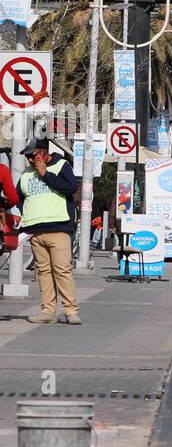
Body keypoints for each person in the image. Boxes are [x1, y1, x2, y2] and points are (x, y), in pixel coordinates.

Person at [16, 137, 81, 325]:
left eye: (32, 155)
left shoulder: (61, 165)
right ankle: (48, 311)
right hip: (36, 231)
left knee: (62, 270)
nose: (30, 160)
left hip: (58, 228)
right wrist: (25, 212)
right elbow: (19, 196)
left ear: (44, 152)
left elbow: (70, 187)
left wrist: (45, 173)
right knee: (43, 272)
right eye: (27, 157)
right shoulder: (27, 173)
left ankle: (71, 311)